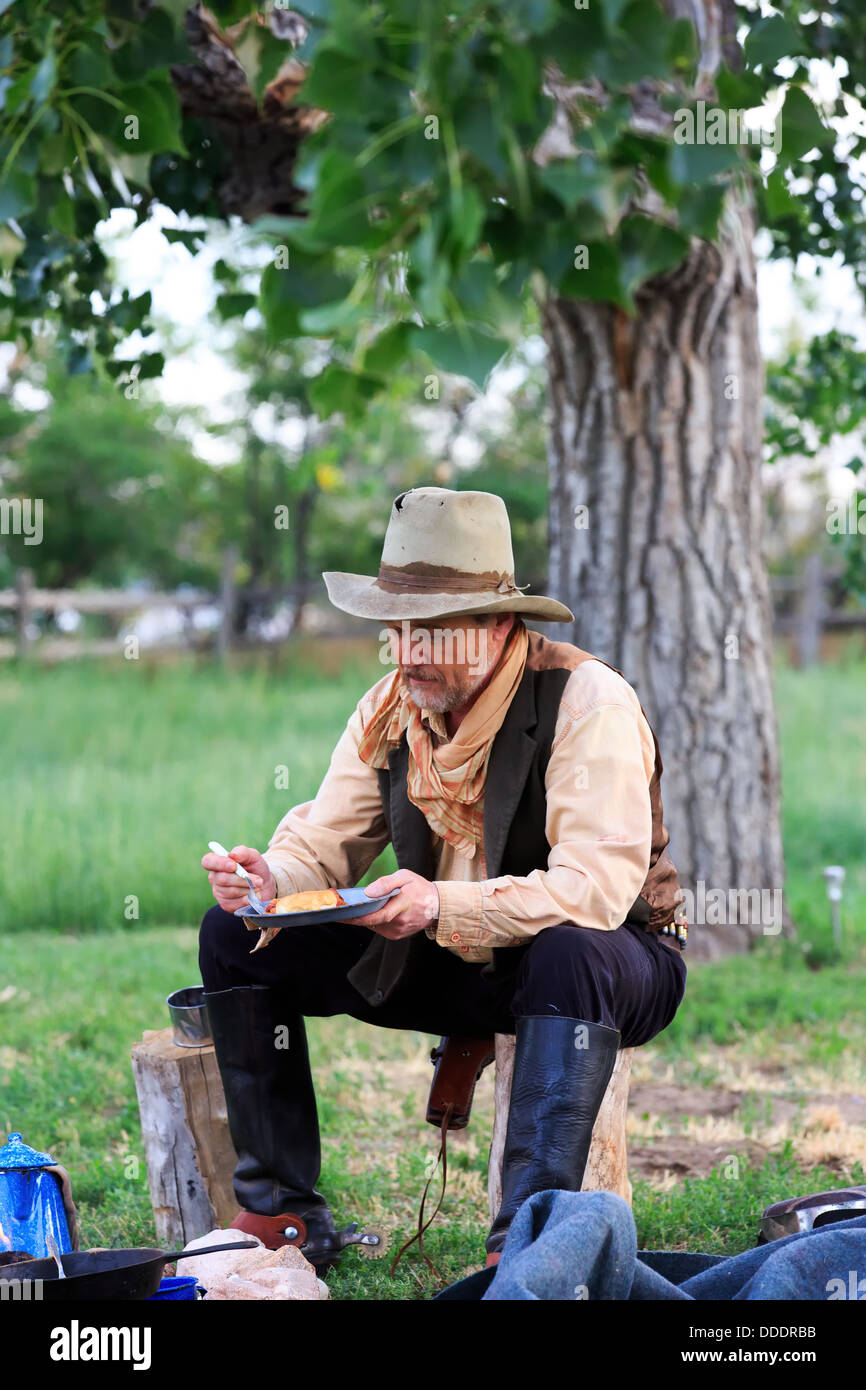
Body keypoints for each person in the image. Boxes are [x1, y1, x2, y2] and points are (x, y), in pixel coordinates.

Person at [198, 486, 688, 1274]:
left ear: (498, 626)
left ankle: (526, 1249)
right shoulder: (392, 705)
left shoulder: (587, 700)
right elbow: (325, 841)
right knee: (232, 936)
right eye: (396, 628)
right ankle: (281, 1215)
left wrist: (439, 903)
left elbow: (595, 890)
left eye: (432, 631)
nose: (407, 650)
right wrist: (269, 879)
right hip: (453, 958)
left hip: (608, 966)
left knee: (568, 951)